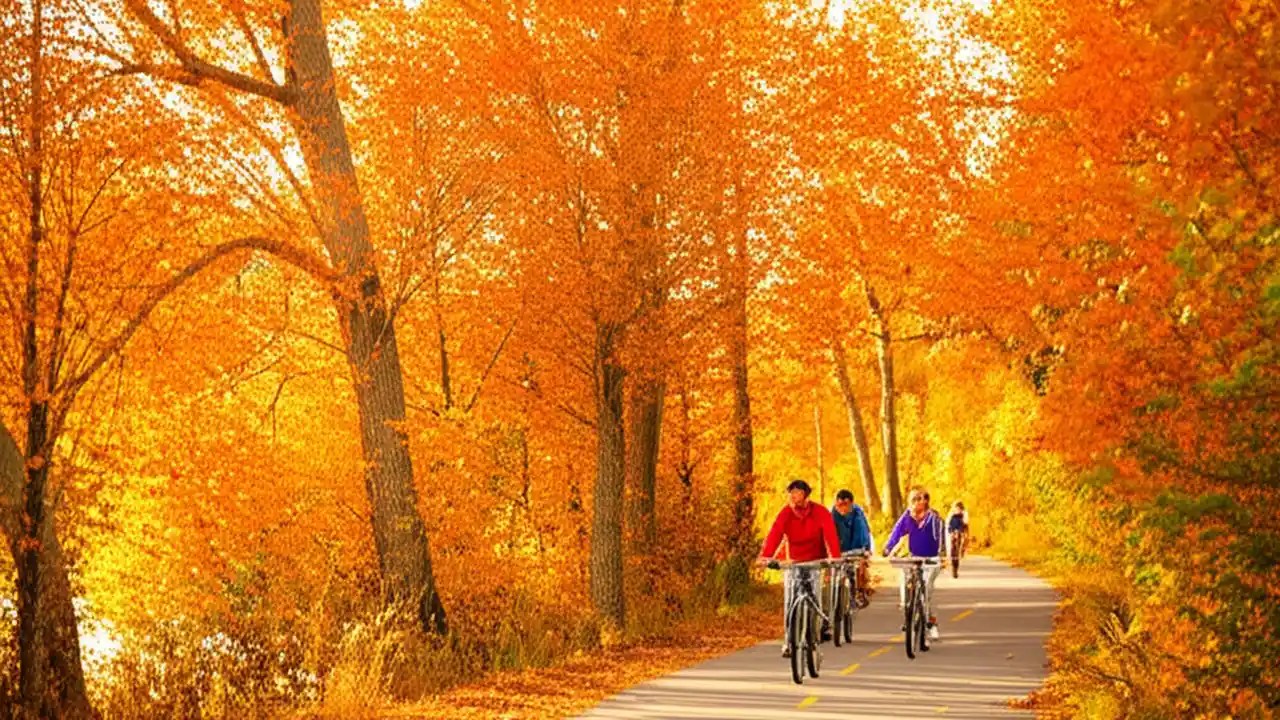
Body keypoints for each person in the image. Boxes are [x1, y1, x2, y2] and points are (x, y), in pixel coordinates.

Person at [758, 479, 841, 655]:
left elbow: (830, 535)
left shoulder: (819, 512)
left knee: (814, 596)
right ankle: (789, 641)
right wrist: (765, 556)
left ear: (805, 495)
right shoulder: (786, 513)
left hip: (815, 561)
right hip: (794, 562)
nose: (793, 496)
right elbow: (775, 533)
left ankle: (816, 633)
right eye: (791, 492)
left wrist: (833, 558)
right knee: (790, 600)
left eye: (797, 492)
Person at [882, 487, 945, 640]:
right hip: (914, 557)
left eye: (919, 499)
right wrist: (888, 548)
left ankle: (931, 623)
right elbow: (897, 533)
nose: (916, 503)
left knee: (927, 591)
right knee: (905, 581)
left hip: (931, 559)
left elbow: (941, 538)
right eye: (913, 499)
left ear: (925, 501)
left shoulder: (933, 518)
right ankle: (908, 614)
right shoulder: (907, 517)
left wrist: (942, 553)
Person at [831, 489, 874, 607]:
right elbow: (828, 533)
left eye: (846, 505)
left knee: (859, 566)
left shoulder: (857, 514)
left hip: (856, 547)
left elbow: (862, 533)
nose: (842, 509)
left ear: (851, 504)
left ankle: (860, 592)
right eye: (839, 505)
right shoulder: (832, 514)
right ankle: (834, 596)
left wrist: (863, 550)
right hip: (839, 548)